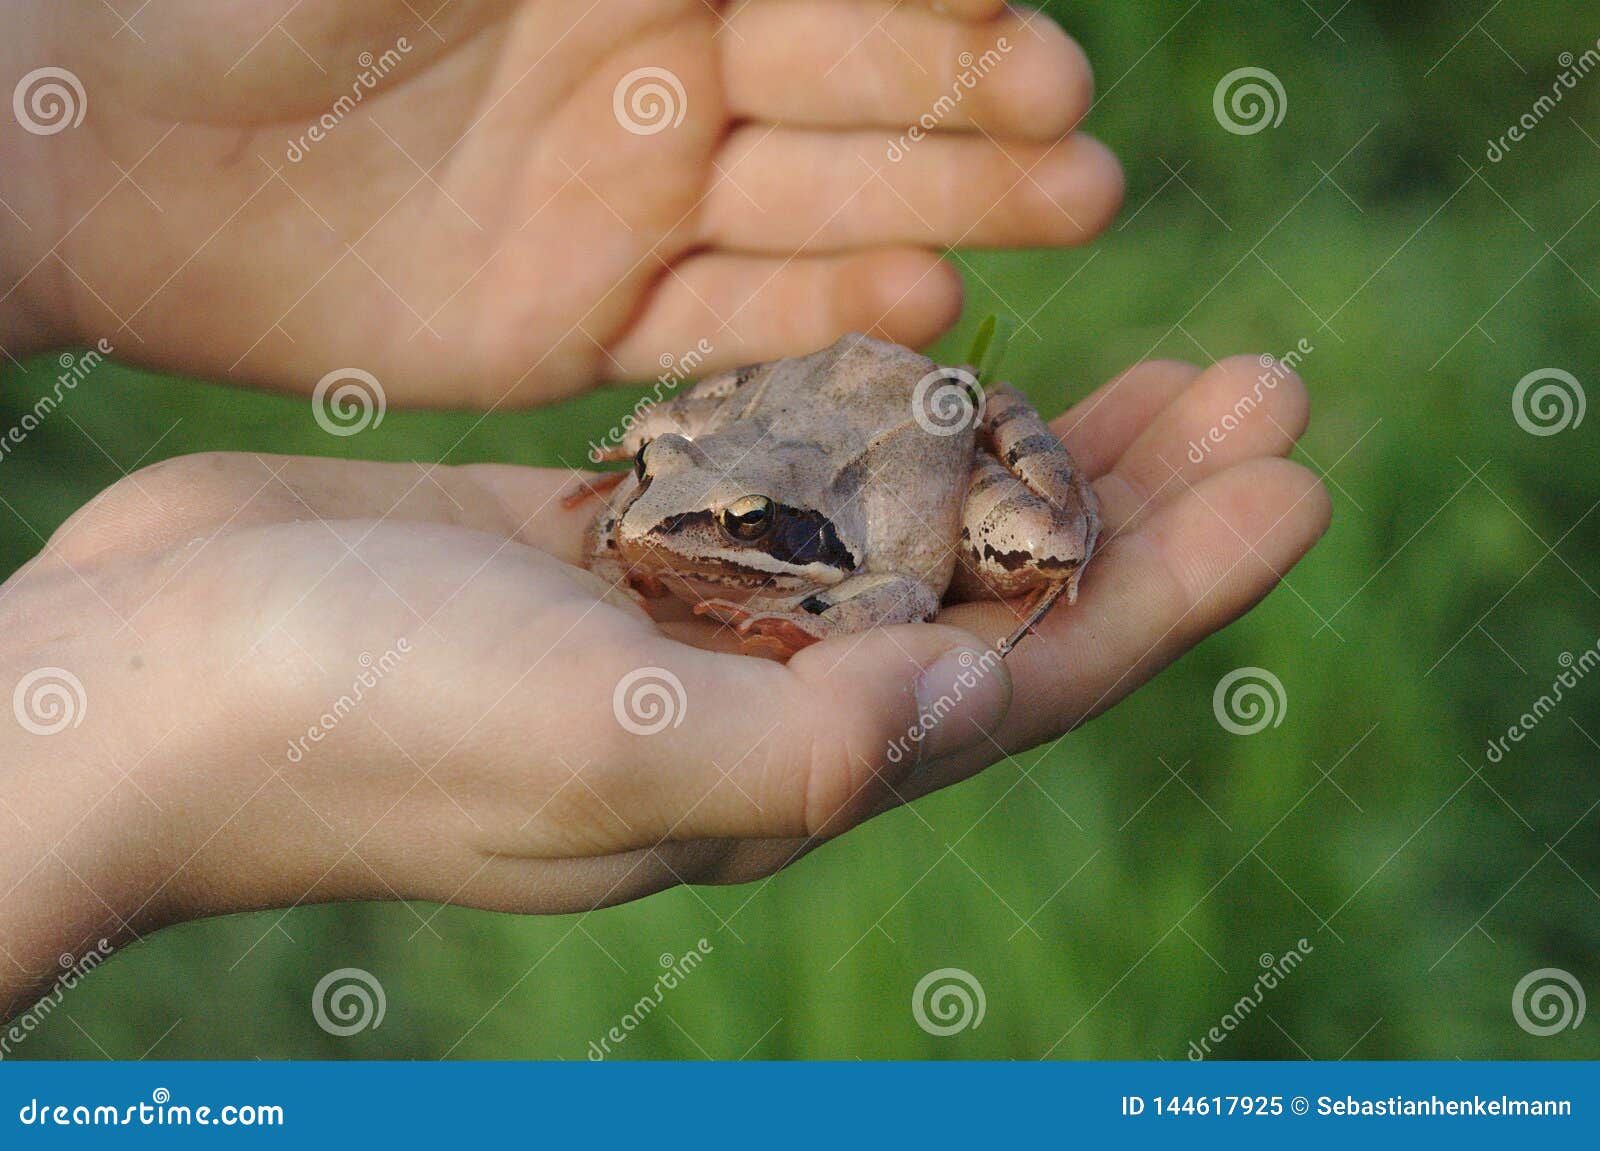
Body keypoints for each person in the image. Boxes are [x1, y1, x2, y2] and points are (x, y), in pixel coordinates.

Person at [0, 0, 1329, 1013]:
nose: (650, 526)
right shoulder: (680, 490)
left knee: (1027, 539)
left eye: (718, 525)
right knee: (685, 455)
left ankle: (1051, 519)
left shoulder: (833, 559)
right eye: (649, 501)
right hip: (800, 415)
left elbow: (906, 590)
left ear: (768, 539)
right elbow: (671, 443)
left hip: (902, 452)